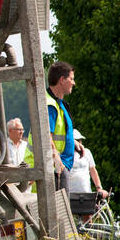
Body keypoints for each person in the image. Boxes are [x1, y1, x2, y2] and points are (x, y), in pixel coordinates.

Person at [46, 61, 77, 190]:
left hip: (59, 167)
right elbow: (46, 136)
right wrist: (56, 159)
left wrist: (74, 143)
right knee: (59, 209)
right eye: (71, 79)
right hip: (54, 168)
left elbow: (60, 133)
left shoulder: (60, 103)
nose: (74, 83)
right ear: (62, 80)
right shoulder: (49, 104)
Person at [67, 129, 108, 199]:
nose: (80, 142)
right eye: (77, 140)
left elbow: (93, 171)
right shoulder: (66, 154)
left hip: (86, 193)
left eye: (80, 140)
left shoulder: (87, 152)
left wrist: (99, 188)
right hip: (70, 194)